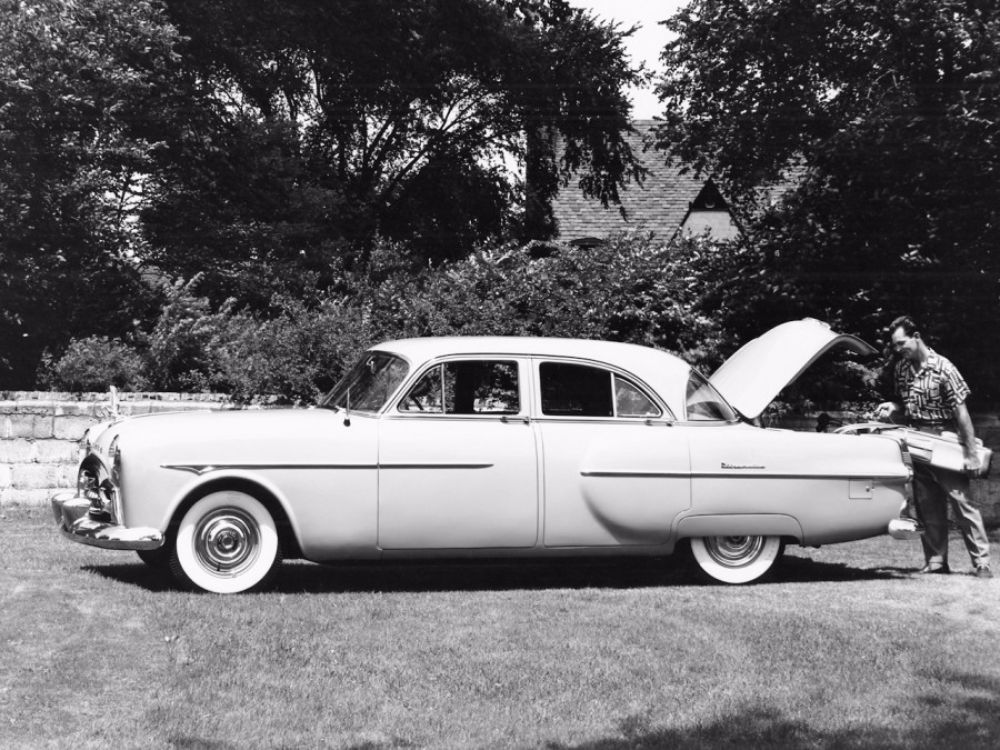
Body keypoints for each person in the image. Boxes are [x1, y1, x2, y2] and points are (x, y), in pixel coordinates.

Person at [875, 315, 992, 578]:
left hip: (945, 442)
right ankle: (937, 562)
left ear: (916, 337)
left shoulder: (944, 368)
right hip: (916, 442)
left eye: (902, 343)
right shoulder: (902, 369)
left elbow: (962, 413)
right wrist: (893, 407)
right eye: (895, 345)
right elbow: (906, 407)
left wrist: (971, 454)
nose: (898, 349)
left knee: (962, 503)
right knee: (927, 505)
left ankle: (982, 563)